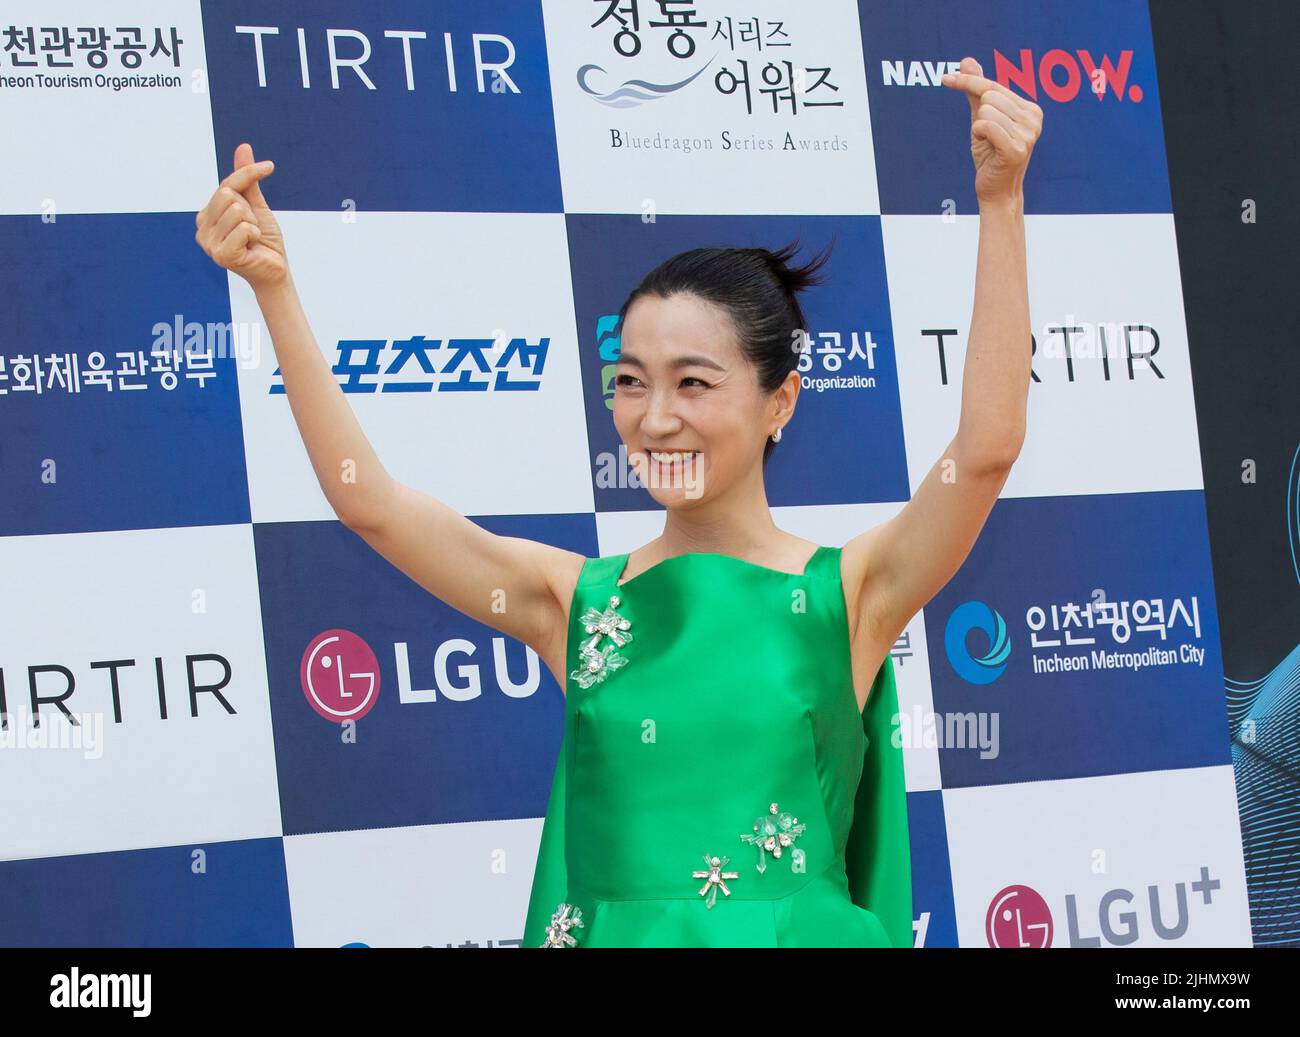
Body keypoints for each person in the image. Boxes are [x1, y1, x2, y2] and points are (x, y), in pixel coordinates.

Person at [194, 55, 1041, 948]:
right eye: (630, 381)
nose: (656, 417)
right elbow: (369, 504)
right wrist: (275, 290)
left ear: (779, 402)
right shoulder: (576, 602)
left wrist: (1000, 204)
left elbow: (985, 450)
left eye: (695, 383)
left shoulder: (852, 594)